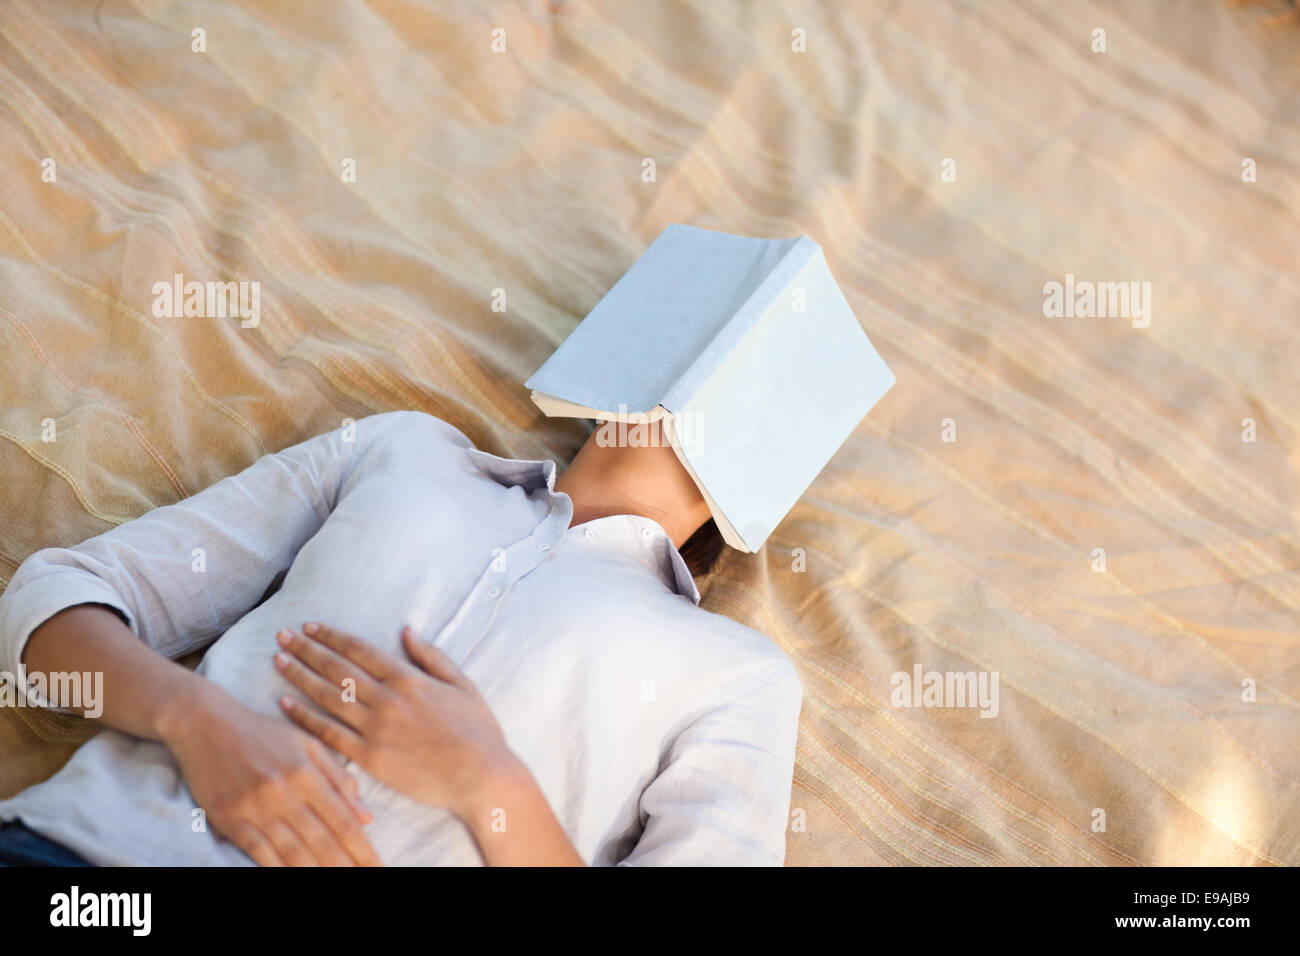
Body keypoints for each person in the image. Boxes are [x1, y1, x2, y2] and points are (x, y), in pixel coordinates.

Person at [0, 410, 802, 866]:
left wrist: (493, 789)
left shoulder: (740, 676)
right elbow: (51, 600)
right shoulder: (405, 450)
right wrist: (200, 723)